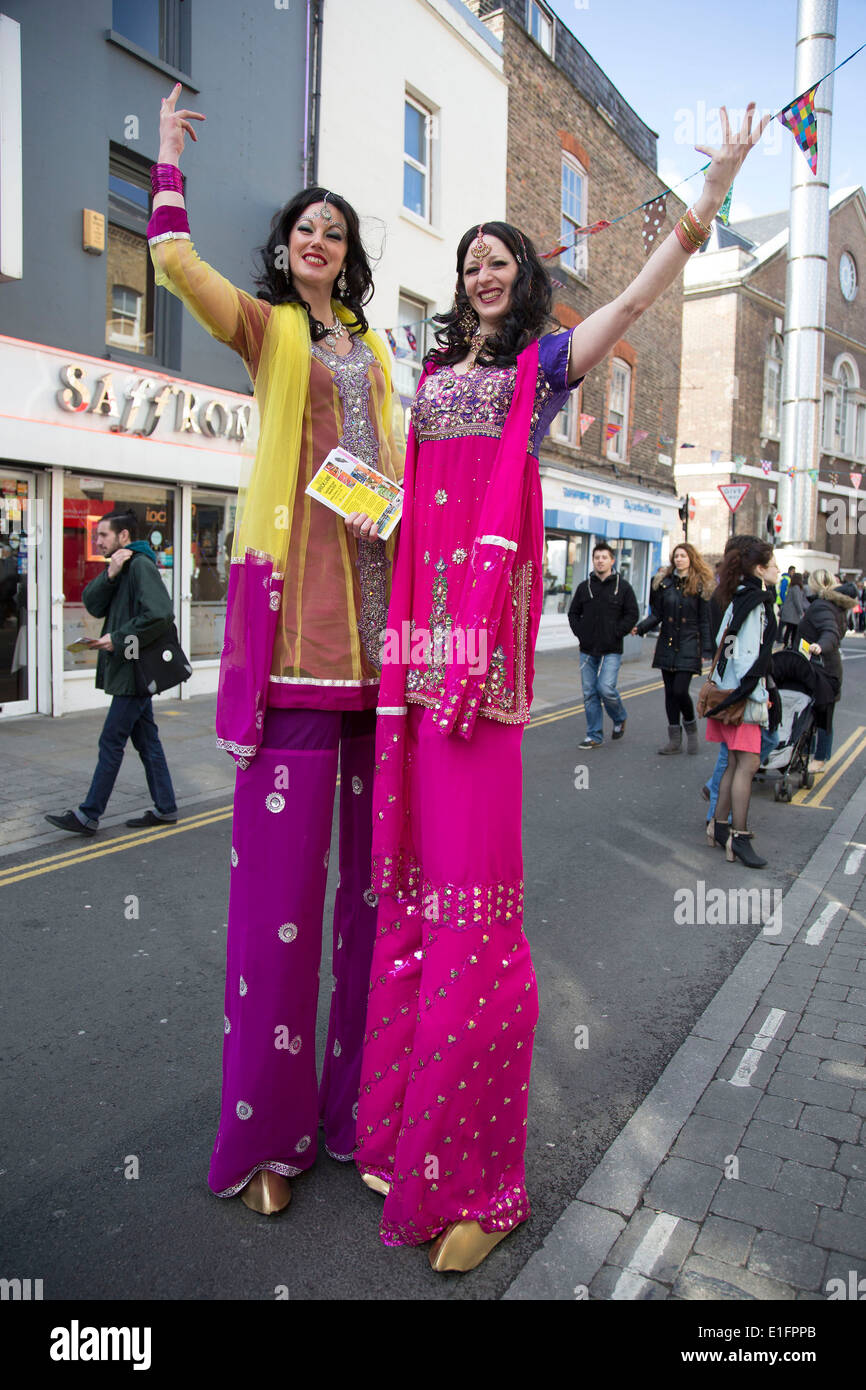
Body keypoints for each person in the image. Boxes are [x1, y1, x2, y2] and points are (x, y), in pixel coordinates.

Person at [353, 103, 770, 1271]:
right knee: (418, 891)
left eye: (502, 262)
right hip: (411, 652)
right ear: (458, 281)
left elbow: (635, 300)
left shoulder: (541, 370)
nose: (486, 273)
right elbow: (411, 495)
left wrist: (710, 193)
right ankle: (399, 1125)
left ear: (523, 283)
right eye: (471, 261)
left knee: (478, 908)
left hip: (473, 669)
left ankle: (477, 1175)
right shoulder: (430, 373)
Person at [147, 86, 403, 1213]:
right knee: (281, 908)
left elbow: (396, 482)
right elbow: (170, 265)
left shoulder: (377, 348)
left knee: (373, 902)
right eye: (303, 228)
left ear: (347, 256)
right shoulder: (268, 328)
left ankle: (357, 1113)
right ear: (286, 250)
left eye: (333, 231)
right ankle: (267, 1137)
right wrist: (164, 160)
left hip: (381, 658)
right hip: (299, 653)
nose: (315, 241)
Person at [45, 511, 178, 836]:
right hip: (128, 668)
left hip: (133, 669)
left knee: (111, 740)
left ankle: (88, 815)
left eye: (103, 535)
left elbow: (161, 613)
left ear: (123, 537)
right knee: (147, 741)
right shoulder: (123, 568)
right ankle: (166, 807)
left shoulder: (142, 566)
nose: (98, 540)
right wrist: (111, 572)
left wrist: (116, 639)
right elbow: (92, 604)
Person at [705, 539, 779, 867]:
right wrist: (751, 693)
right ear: (760, 569)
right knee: (747, 766)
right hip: (742, 698)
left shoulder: (739, 597)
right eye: (773, 563)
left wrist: (724, 685)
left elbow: (727, 643)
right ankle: (739, 836)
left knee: (734, 764)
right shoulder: (759, 602)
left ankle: (719, 828)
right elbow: (746, 654)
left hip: (728, 693)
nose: (778, 568)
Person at [634, 542, 714, 754]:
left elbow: (705, 621)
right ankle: (674, 740)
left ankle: (691, 729)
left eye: (683, 556)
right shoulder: (664, 583)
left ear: (691, 559)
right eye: (676, 556)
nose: (679, 559)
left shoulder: (700, 585)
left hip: (689, 644)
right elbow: (658, 614)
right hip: (667, 643)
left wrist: (707, 649)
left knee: (680, 691)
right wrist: (641, 628)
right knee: (670, 693)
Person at [568, 542, 638, 747]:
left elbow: (632, 614)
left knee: (605, 688)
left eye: (604, 557)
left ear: (612, 560)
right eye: (597, 557)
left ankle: (619, 717)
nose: (600, 560)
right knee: (590, 693)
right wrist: (581, 633)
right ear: (593, 560)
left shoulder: (623, 587)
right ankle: (594, 735)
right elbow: (573, 613)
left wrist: (617, 632)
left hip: (612, 649)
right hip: (588, 649)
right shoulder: (584, 587)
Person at [798, 569, 857, 771]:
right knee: (820, 713)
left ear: (814, 584)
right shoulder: (832, 605)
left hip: (822, 669)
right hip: (826, 668)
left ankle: (818, 758)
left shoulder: (822, 606)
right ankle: (809, 755)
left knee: (820, 715)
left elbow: (830, 632)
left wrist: (820, 646)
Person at [778, 572, 806, 648]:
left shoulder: (792, 587)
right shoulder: (796, 588)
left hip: (789, 612)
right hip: (793, 613)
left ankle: (786, 644)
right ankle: (790, 645)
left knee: (789, 629)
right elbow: (797, 601)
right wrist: (801, 612)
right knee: (793, 630)